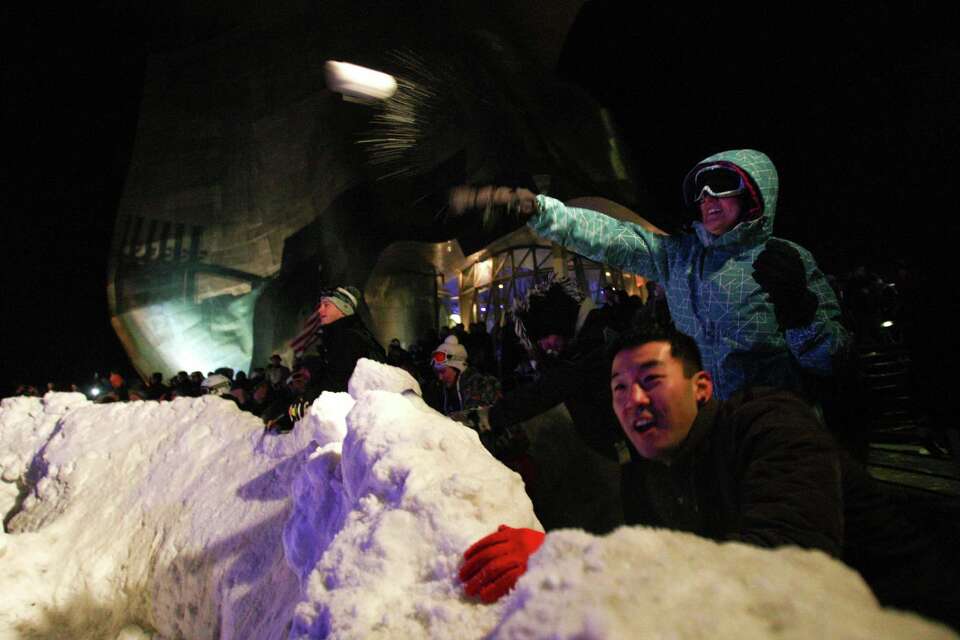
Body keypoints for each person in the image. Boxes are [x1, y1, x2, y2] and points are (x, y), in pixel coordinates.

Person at [459, 323, 959, 630]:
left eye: (651, 380)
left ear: (701, 387)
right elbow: (654, 574)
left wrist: (566, 560)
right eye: (619, 388)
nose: (633, 400)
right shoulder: (645, 475)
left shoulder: (771, 426)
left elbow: (781, 570)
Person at [449, 149, 849, 402]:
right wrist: (539, 211)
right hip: (704, 424)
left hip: (774, 428)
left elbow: (831, 359)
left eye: (721, 186)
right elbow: (613, 238)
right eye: (700, 191)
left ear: (754, 194)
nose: (707, 197)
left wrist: (801, 313)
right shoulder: (679, 257)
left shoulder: (786, 259)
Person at [264, 285, 385, 432]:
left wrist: (304, 403)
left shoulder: (348, 338)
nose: (320, 310)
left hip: (358, 422)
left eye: (326, 305)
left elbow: (337, 383)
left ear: (344, 309)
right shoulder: (345, 334)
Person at [426, 335, 501, 416]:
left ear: (457, 369)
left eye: (443, 371)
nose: (440, 378)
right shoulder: (438, 389)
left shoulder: (479, 387)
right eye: (437, 372)